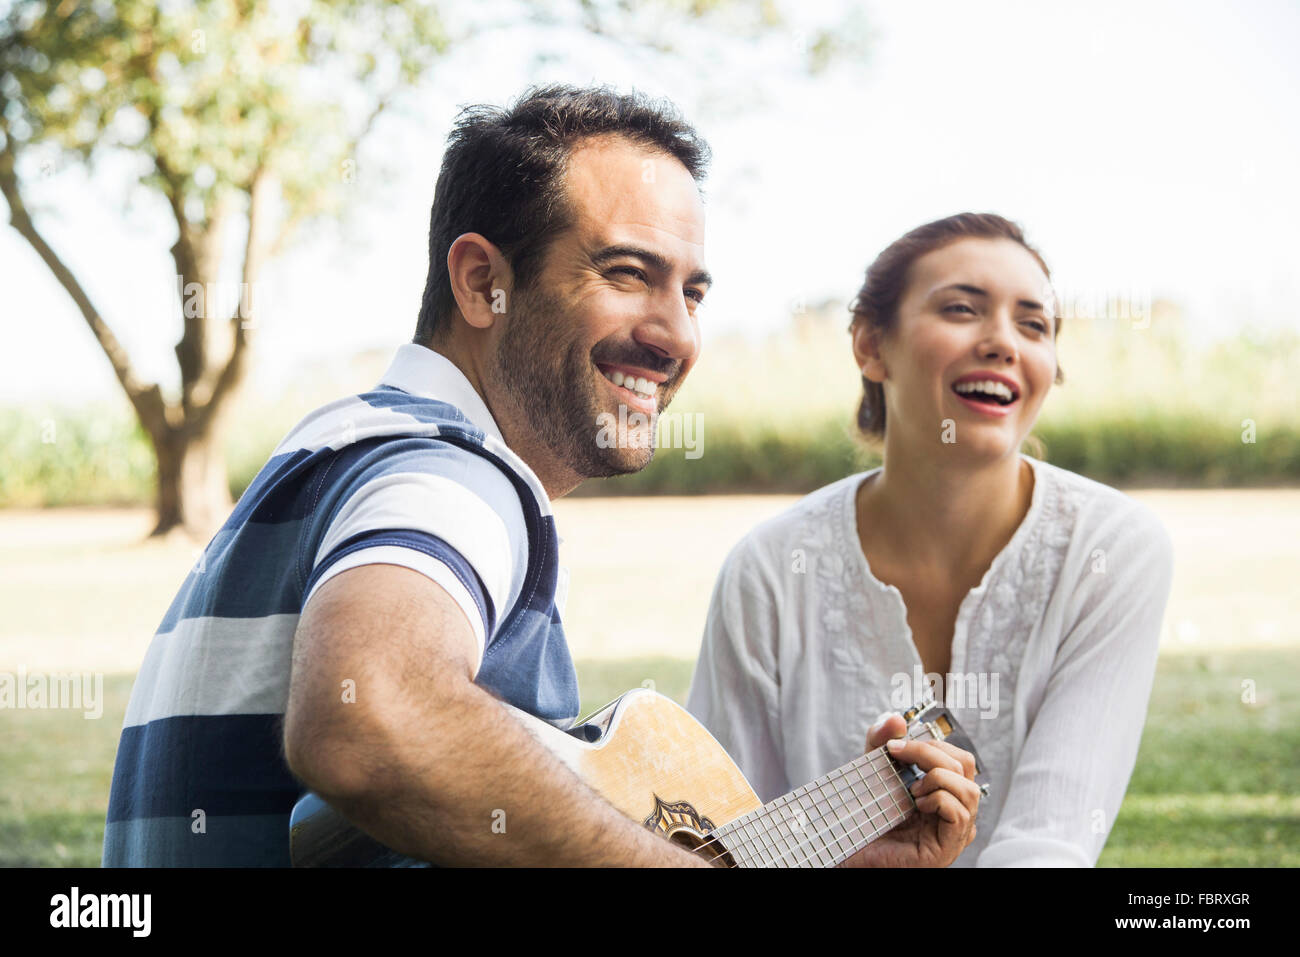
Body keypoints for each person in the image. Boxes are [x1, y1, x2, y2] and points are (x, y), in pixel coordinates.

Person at [102, 86, 979, 867]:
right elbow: (367, 719)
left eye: (694, 292)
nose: (676, 335)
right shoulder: (449, 476)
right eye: (628, 273)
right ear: (486, 282)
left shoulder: (350, 447)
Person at [687, 212, 1175, 867]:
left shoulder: (1114, 550)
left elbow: (1050, 842)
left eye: (1034, 324)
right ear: (870, 345)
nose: (1004, 341)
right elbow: (722, 844)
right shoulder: (770, 570)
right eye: (962, 309)